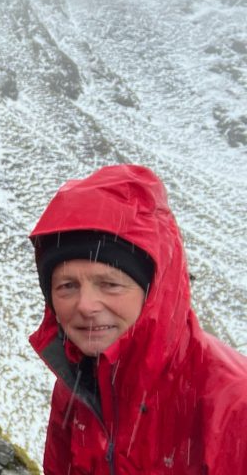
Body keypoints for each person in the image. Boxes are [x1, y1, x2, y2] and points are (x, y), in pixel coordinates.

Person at [29, 164, 247, 474]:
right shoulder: (77, 380)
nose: (86, 305)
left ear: (152, 292)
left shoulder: (233, 403)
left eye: (110, 284)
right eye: (67, 286)